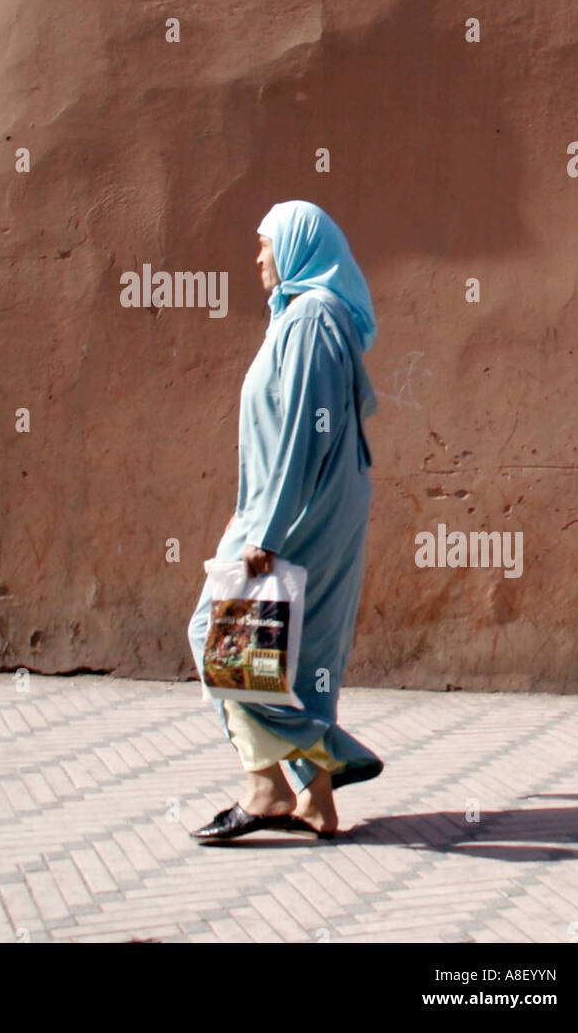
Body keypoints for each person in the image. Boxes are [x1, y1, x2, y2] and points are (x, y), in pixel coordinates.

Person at [187, 200, 383, 842]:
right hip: (311, 506)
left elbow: (301, 432)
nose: (257, 257)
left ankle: (268, 787)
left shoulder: (309, 321)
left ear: (296, 247)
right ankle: (317, 802)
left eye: (264, 243)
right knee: (292, 654)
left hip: (292, 512)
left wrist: (264, 535)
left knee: (218, 636)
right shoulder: (315, 318)